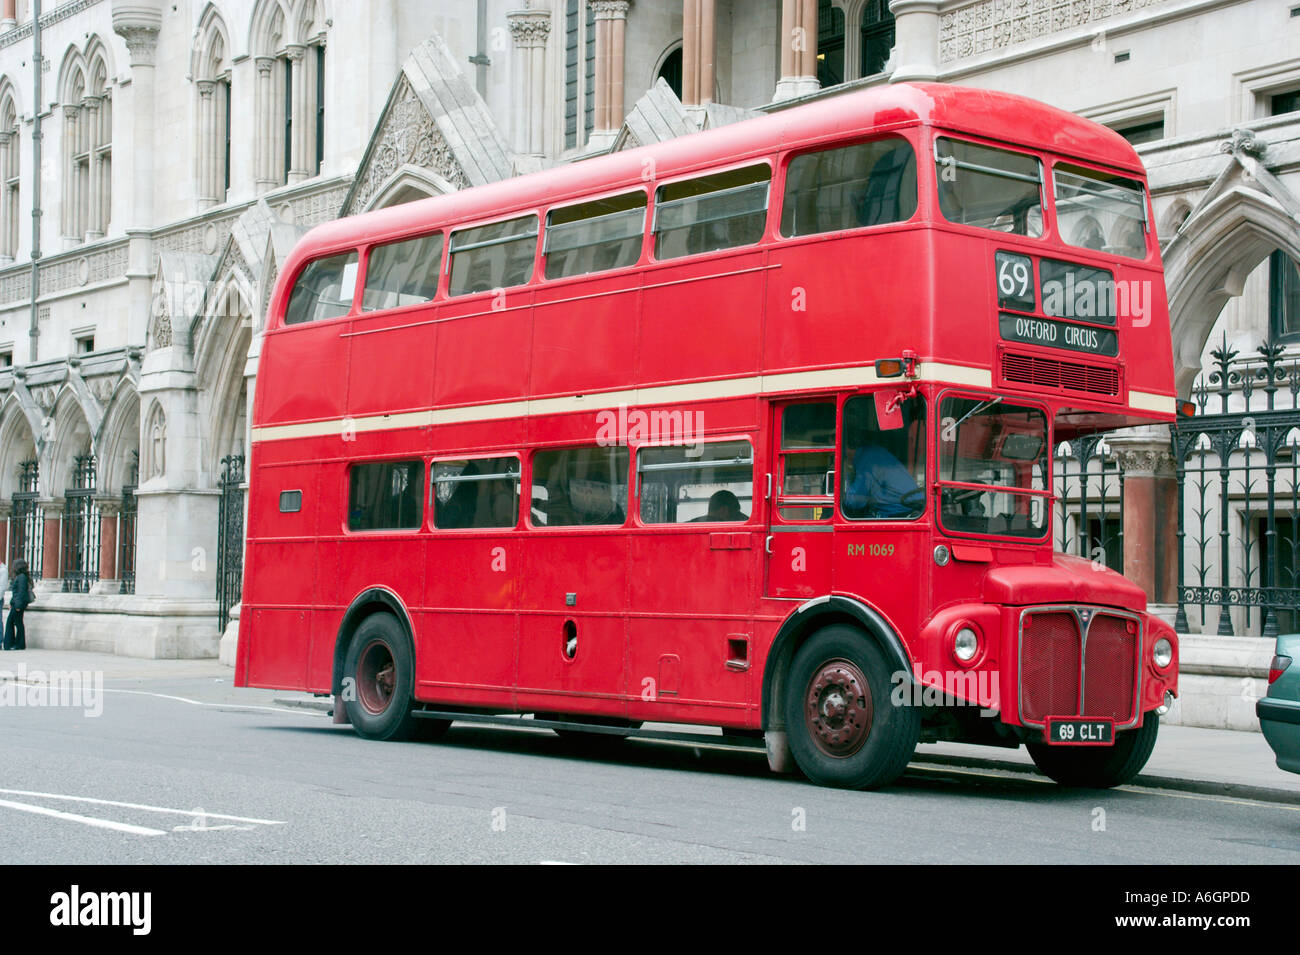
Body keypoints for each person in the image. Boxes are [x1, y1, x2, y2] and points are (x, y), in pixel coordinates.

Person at [844, 445, 921, 518]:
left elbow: (854, 502)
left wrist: (847, 472)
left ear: (846, 449)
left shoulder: (865, 459)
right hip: (912, 505)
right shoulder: (873, 452)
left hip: (899, 512)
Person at [4, 559, 30, 651]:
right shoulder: (20, 576)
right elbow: (16, 592)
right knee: (17, 623)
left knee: (12, 623)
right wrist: (12, 603)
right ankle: (17, 644)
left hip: (18, 604)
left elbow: (21, 592)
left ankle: (14, 644)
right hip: (16, 603)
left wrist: (18, 605)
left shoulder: (21, 577)